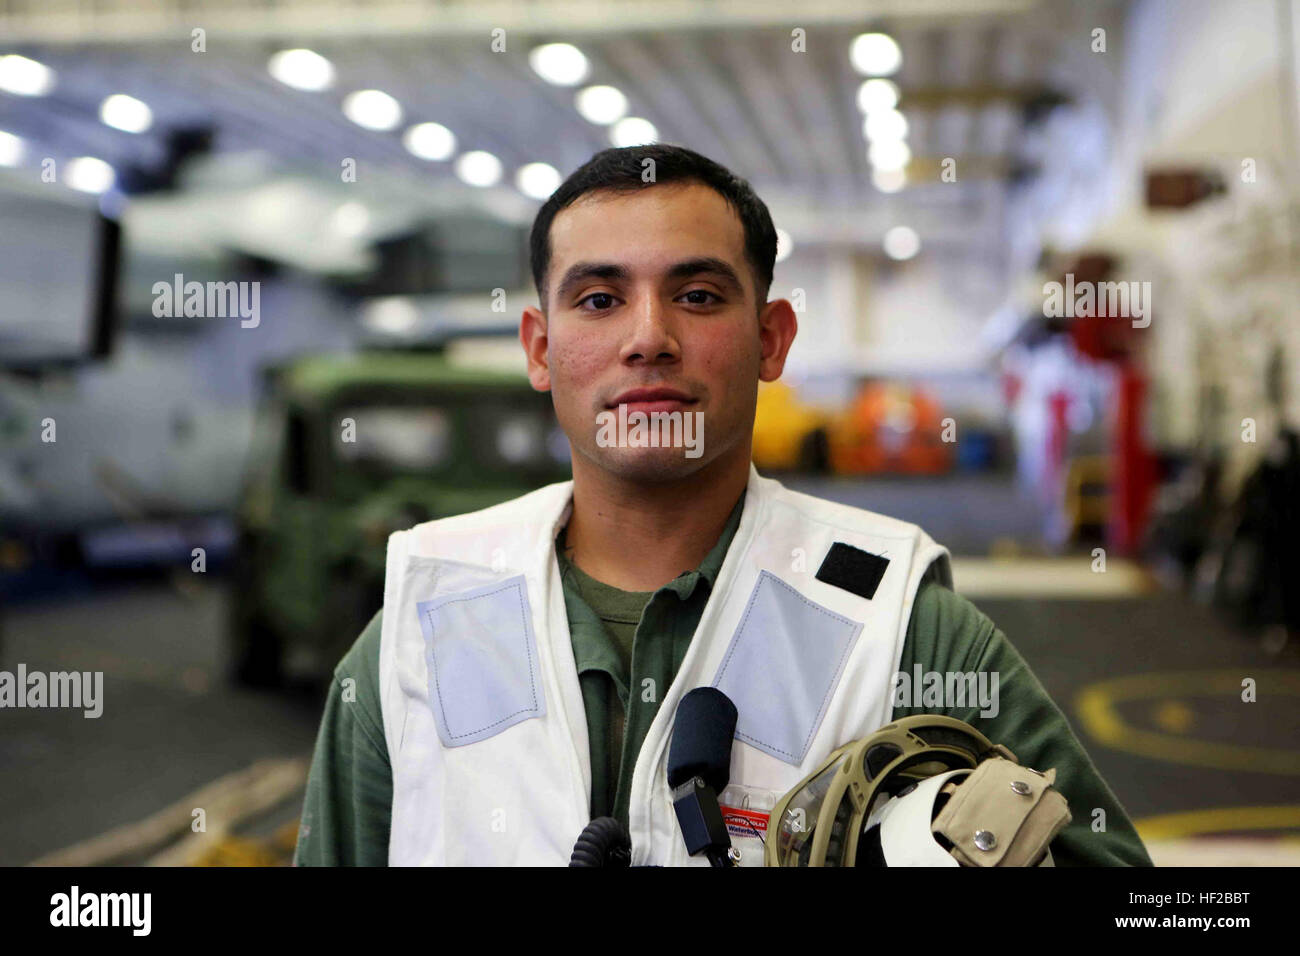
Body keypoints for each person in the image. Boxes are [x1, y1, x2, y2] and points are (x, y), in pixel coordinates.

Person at [294, 144, 1151, 867]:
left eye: (698, 295)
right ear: (541, 349)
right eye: (599, 299)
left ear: (772, 338)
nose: (648, 337)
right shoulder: (422, 622)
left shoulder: (898, 628)